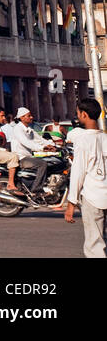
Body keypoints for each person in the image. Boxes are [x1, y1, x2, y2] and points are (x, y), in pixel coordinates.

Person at [65, 97, 107, 258]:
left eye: (78, 113)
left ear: (83, 114)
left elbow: (78, 173)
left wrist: (71, 203)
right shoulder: (105, 138)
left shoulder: (83, 140)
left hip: (92, 197)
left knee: (94, 244)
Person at [8, 107, 56, 196]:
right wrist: (42, 148)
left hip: (29, 157)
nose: (31, 117)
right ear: (22, 118)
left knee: (51, 161)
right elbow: (26, 142)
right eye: (29, 116)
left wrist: (54, 145)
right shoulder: (18, 129)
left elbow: (40, 140)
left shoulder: (29, 129)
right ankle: (36, 189)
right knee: (42, 164)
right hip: (21, 158)